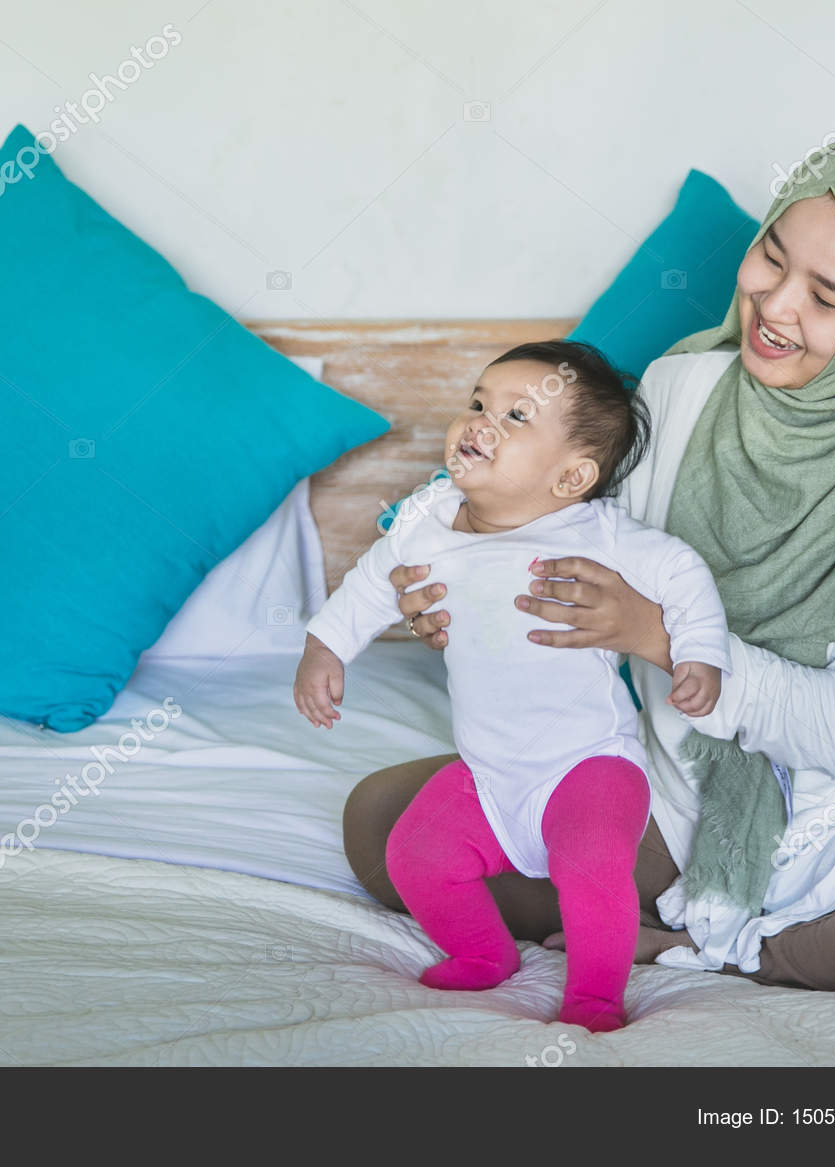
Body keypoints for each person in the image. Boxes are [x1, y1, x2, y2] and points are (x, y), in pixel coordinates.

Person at [341, 137, 835, 1011]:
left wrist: (655, 634)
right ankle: (660, 902)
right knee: (384, 824)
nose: (773, 305)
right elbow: (551, 520)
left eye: (828, 296)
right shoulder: (682, 388)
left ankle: (741, 946)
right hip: (673, 781)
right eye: (772, 255)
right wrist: (453, 580)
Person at [295, 340, 730, 1029]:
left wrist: (700, 656)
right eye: (479, 403)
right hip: (489, 772)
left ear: (569, 476)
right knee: (414, 852)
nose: (482, 421)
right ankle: (483, 954)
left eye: (517, 416)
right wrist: (326, 647)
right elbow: (374, 585)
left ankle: (593, 994)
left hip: (589, 762)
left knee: (593, 863)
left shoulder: (596, 533)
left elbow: (682, 575)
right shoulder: (428, 521)